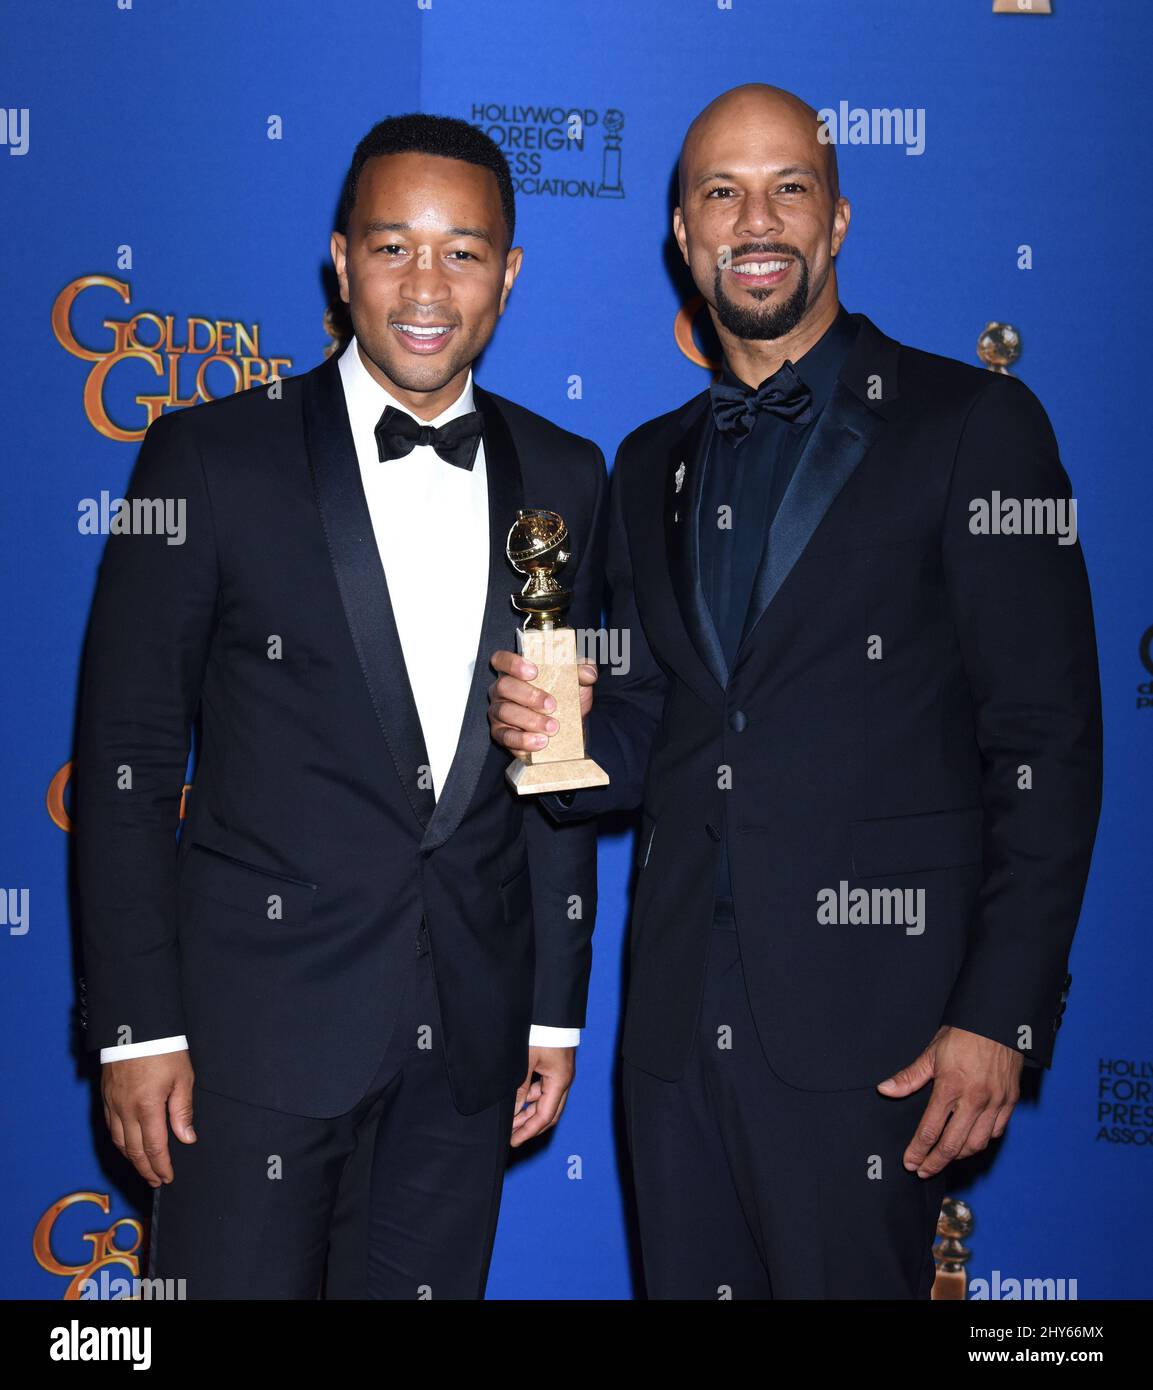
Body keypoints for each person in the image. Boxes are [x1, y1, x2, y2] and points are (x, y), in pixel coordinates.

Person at [488, 84, 1102, 1299]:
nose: (754, 219)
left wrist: (999, 1016)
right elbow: (666, 721)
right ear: (681, 231)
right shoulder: (650, 459)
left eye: (788, 188)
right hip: (671, 1042)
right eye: (722, 191)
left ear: (837, 219)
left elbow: (1047, 743)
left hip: (877, 1037)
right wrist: (555, 742)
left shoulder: (971, 423)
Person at [74, 113, 605, 1299]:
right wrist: (137, 1028)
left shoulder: (566, 476)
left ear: (509, 273)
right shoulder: (207, 457)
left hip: (466, 1045)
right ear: (340, 259)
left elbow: (555, 757)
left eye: (463, 252)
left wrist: (554, 1011)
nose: (427, 286)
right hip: (246, 1046)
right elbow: (128, 759)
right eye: (392, 247)